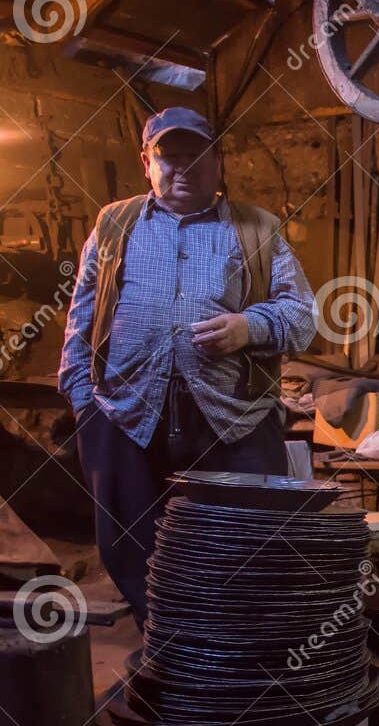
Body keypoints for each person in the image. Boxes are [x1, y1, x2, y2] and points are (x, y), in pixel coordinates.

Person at [58, 107, 316, 625]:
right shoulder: (114, 224)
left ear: (218, 162)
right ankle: (166, 646)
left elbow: (303, 317)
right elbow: (82, 315)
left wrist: (249, 326)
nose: (183, 168)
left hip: (231, 417)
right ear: (146, 164)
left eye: (196, 155)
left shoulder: (257, 228)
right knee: (133, 551)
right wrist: (84, 403)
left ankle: (225, 648)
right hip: (124, 416)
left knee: (243, 546)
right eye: (168, 156)